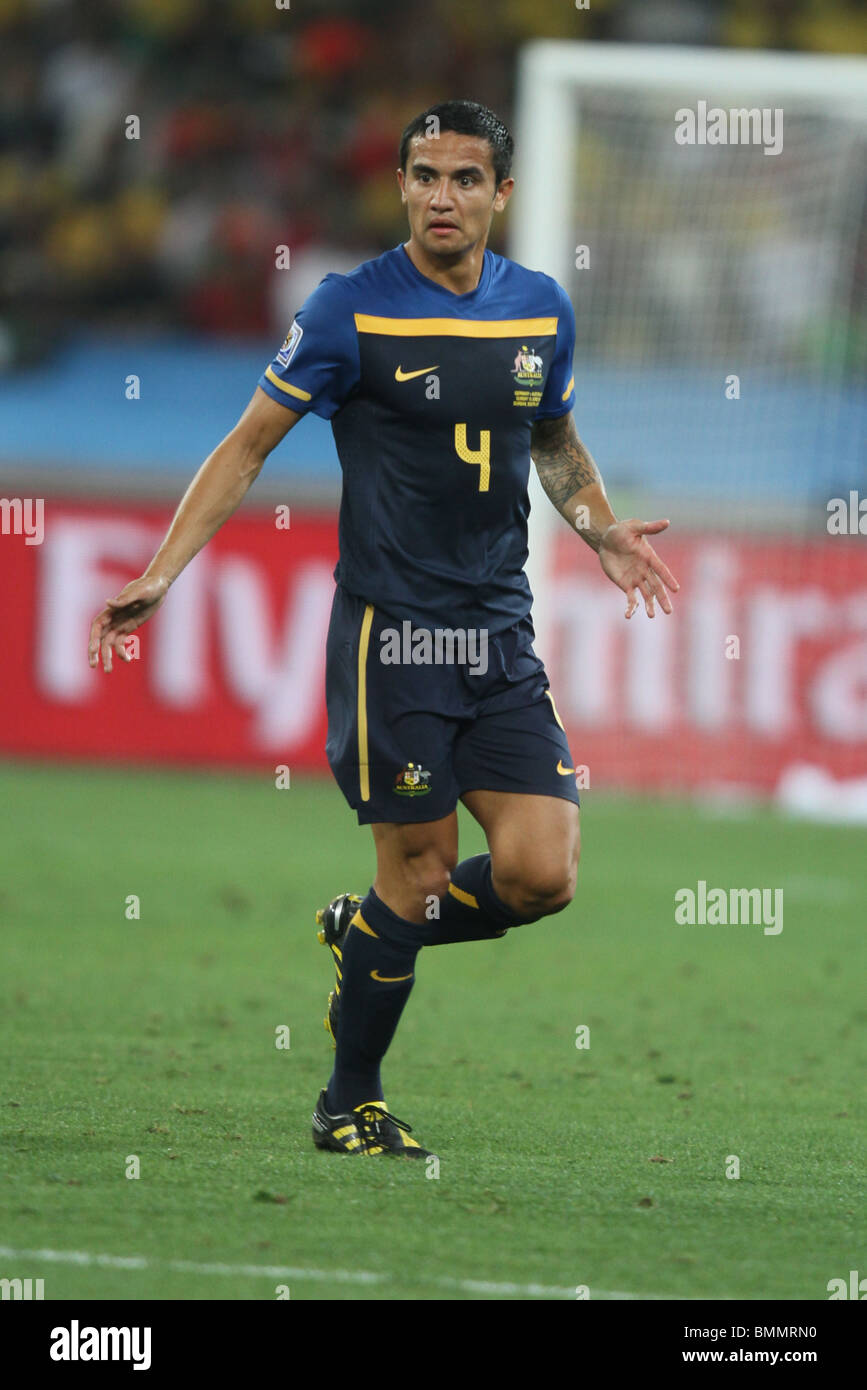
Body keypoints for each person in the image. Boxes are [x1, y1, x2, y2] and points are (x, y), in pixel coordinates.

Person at [88, 99, 679, 1160]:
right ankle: (346, 1100)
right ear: (400, 185)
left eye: (462, 178)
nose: (438, 196)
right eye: (421, 176)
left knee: (545, 873)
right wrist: (160, 572)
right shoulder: (347, 310)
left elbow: (555, 443)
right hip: (394, 640)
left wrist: (599, 530)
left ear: (502, 192)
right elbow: (245, 448)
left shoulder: (541, 310)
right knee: (416, 869)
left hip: (500, 635)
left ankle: (368, 933)